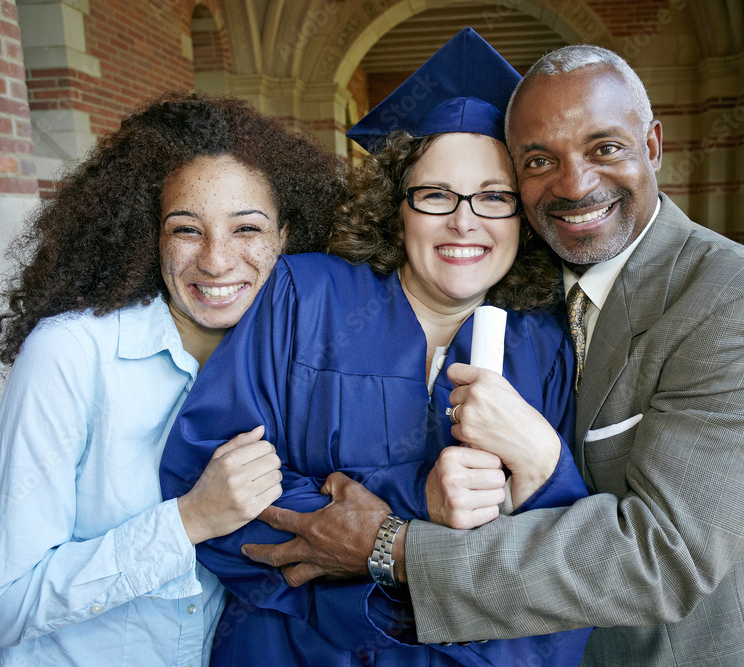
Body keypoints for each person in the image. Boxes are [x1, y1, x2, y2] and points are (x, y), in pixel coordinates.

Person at [242, 44, 744, 666]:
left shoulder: (743, 307)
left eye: (606, 148)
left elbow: (664, 559)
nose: (575, 184)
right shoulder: (535, 293)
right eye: (540, 160)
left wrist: (393, 546)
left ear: (652, 146)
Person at [160, 28, 591, 666]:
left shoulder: (545, 347)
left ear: (522, 217)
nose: (464, 220)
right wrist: (416, 524)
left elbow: (558, 558)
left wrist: (387, 540)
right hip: (293, 647)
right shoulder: (303, 296)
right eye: (435, 194)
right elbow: (212, 475)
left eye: (494, 198)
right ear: (397, 206)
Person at [0, 92, 346, 666]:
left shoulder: (297, 367)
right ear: (153, 236)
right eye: (187, 229)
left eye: (247, 228)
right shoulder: (71, 353)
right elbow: (0, 608)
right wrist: (190, 519)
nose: (217, 261)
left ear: (287, 237)